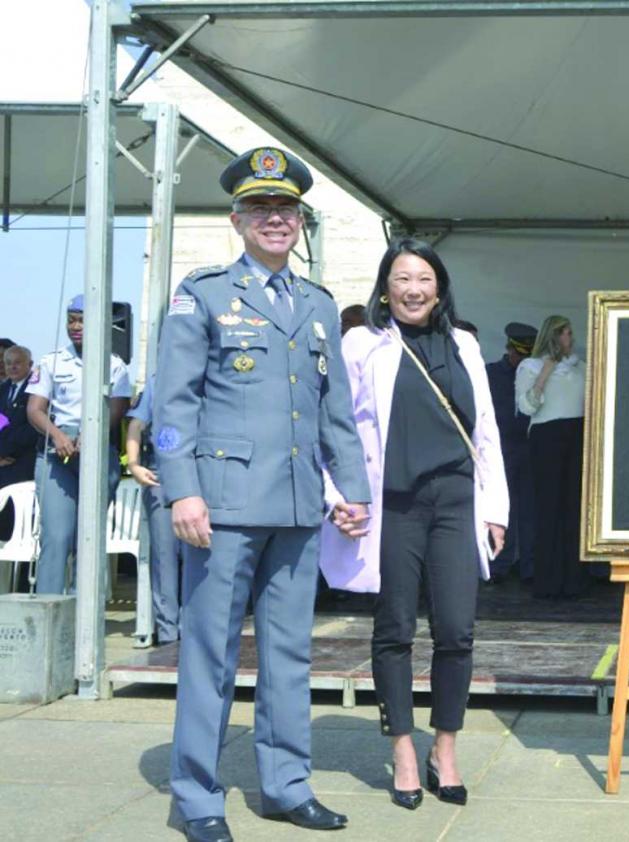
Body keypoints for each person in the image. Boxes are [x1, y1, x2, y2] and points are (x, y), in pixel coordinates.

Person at [153, 147, 371, 842]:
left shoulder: (317, 304)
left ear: (300, 223)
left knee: (289, 655)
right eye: (261, 210)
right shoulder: (204, 293)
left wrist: (354, 488)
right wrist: (182, 492)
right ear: (237, 220)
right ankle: (197, 797)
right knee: (209, 654)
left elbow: (334, 411)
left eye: (287, 211)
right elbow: (172, 408)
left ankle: (284, 785)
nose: (275, 221)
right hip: (218, 509)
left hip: (300, 507)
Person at [317, 238, 508, 811]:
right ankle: (403, 748)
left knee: (456, 631)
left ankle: (443, 748)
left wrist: (495, 505)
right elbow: (336, 428)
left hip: (455, 501)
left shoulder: (465, 344)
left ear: (440, 288)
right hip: (391, 503)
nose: (413, 289)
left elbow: (487, 430)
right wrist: (336, 497)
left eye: (423, 278)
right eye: (401, 278)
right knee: (395, 628)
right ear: (385, 287)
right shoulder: (361, 343)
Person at [27, 296, 132, 594]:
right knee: (57, 537)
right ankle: (49, 611)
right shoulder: (52, 361)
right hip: (56, 453)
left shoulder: (114, 365)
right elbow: (35, 408)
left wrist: (92, 432)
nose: (75, 326)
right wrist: (59, 436)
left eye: (82, 320)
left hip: (96, 451)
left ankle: (83, 615)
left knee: (87, 538)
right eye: (71, 319)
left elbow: (117, 407)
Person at [516, 315, 587, 598]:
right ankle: (547, 580)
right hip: (547, 436)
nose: (571, 338)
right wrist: (545, 373)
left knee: (574, 509)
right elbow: (525, 407)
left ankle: (574, 579)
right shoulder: (530, 366)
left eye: (571, 332)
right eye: (565, 333)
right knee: (548, 509)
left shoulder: (581, 367)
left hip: (577, 434)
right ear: (553, 336)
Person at [124, 379, 181, 644]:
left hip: (207, 476)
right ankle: (169, 634)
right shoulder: (159, 380)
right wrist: (134, 465)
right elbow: (136, 424)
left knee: (205, 558)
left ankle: (200, 630)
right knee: (164, 557)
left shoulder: (214, 370)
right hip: (160, 474)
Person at [485, 321, 538, 581]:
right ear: (510, 350)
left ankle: (529, 566)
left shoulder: (539, 372)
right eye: (519, 355)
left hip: (531, 448)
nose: (522, 361)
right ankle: (498, 564)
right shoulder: (491, 373)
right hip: (501, 448)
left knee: (530, 510)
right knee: (500, 509)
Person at [0, 345, 38, 544]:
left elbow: (33, 428)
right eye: (8, 363)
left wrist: (6, 448)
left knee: (19, 525)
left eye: (17, 363)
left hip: (24, 464)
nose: (12, 368)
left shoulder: (36, 390)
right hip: (2, 463)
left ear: (29, 365)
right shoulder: (2, 390)